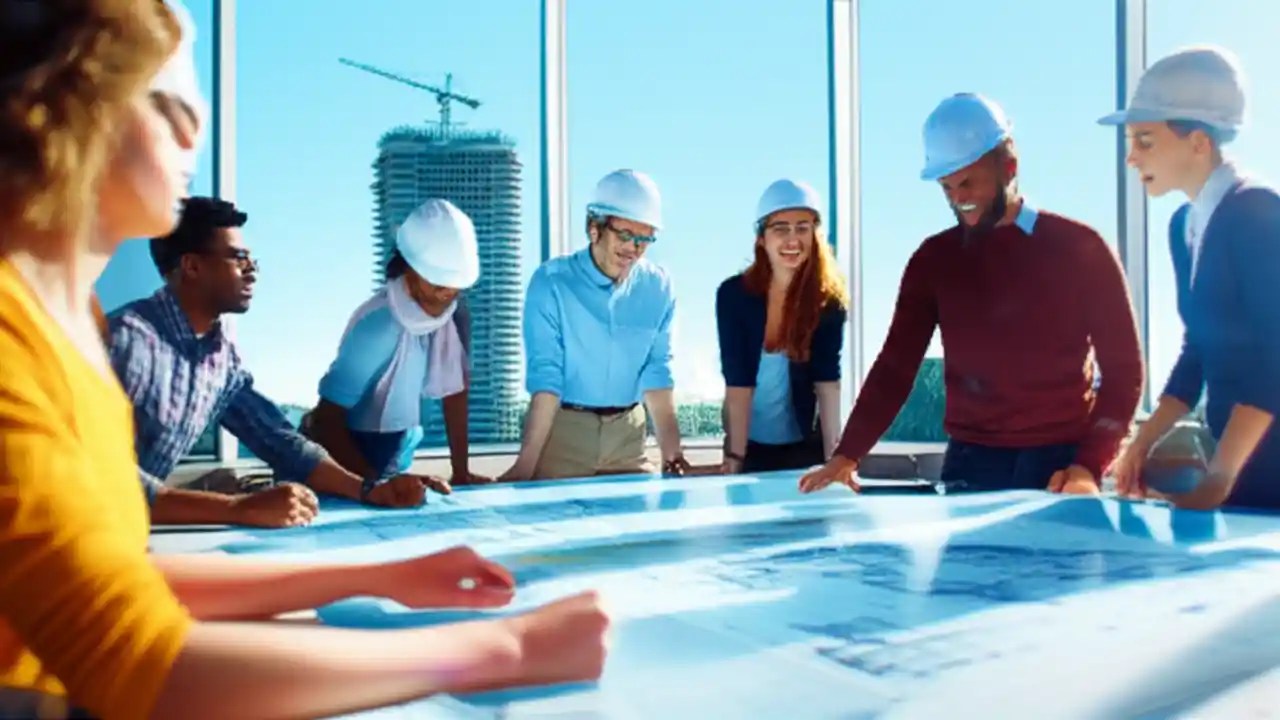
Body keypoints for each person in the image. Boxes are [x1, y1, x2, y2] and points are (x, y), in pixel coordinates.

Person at [0, 3, 607, 719]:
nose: (196, 128)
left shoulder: (73, 325)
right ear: (58, 110)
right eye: (165, 104)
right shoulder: (20, 344)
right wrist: (502, 650)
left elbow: (118, 578)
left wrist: (381, 575)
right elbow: (133, 659)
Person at [799, 92, 1144, 496]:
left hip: (1061, 466)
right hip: (970, 465)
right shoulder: (932, 261)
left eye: (968, 183)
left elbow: (1124, 373)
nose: (958, 199)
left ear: (1009, 167)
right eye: (947, 188)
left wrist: (1087, 466)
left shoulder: (1082, 248)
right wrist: (847, 455)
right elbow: (895, 366)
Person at [109, 195, 429, 529]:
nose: (251, 271)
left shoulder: (220, 360)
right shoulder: (127, 342)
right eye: (238, 258)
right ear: (192, 266)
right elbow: (103, 480)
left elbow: (278, 440)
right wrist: (237, 508)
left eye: (252, 260)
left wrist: (369, 491)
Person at [1101, 46, 1280, 511]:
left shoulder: (1259, 212)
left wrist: (1219, 478)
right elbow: (1196, 351)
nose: (1132, 159)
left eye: (1144, 140)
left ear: (1198, 142)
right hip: (1242, 469)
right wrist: (1140, 444)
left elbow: (1274, 360)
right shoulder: (1183, 227)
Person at [500, 169, 690, 480]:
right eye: (625, 235)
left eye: (644, 239)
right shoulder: (551, 283)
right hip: (563, 438)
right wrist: (525, 466)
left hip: (628, 442)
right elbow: (547, 379)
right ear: (593, 226)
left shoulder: (659, 286)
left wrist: (673, 456)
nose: (634, 248)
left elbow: (658, 371)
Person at [304, 198, 493, 498]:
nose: (446, 293)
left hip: (397, 453)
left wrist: (461, 471)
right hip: (349, 457)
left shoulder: (455, 316)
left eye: (454, 285)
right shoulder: (379, 324)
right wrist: (372, 485)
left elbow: (455, 391)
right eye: (437, 281)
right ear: (409, 266)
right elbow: (326, 421)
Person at [716, 179, 848, 473]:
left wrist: (833, 461)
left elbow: (828, 385)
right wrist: (736, 457)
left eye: (803, 228)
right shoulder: (733, 296)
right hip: (747, 444)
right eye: (781, 229)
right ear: (761, 238)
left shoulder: (829, 303)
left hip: (804, 448)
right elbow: (738, 383)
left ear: (816, 236)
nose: (793, 240)